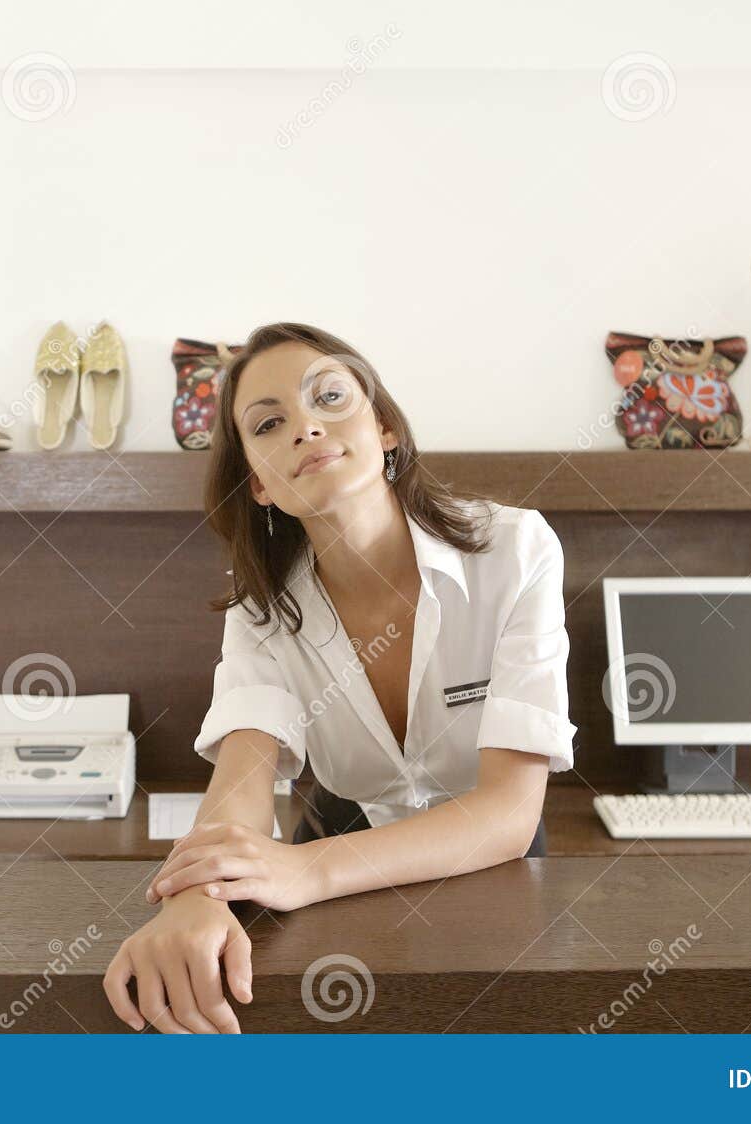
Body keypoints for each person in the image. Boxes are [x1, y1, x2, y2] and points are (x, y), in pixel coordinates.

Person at [102, 322, 577, 1033]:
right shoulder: (261, 609)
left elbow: (510, 811)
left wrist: (305, 871)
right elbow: (241, 781)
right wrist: (193, 901)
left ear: (383, 426)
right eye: (270, 422)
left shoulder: (513, 549)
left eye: (329, 397)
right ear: (258, 482)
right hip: (340, 874)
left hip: (490, 870)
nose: (305, 427)